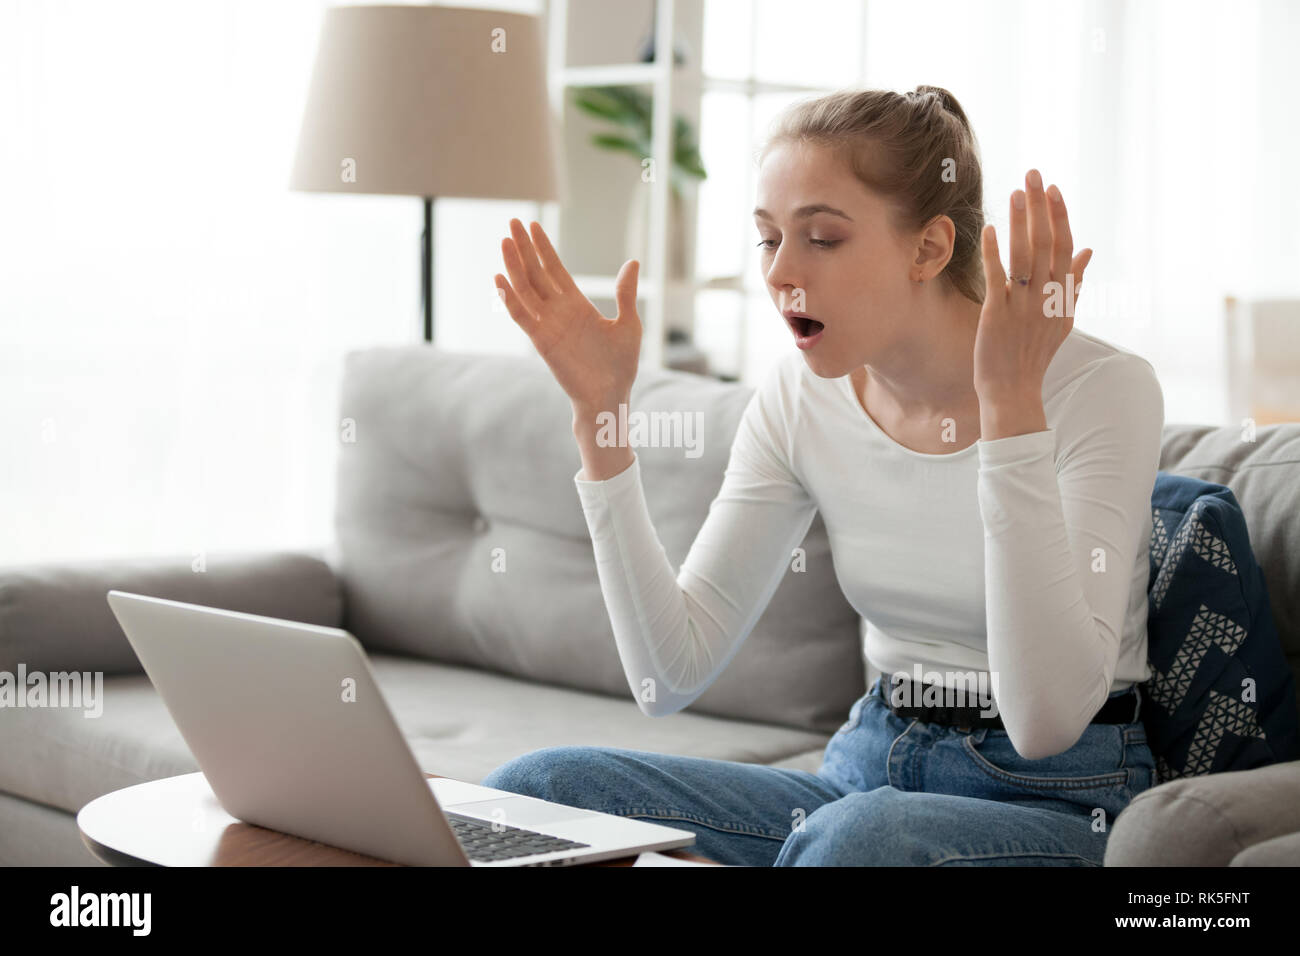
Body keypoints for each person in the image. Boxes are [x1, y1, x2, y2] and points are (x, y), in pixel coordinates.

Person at [485, 85, 1162, 867]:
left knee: (856, 842)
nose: (780, 274)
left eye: (822, 239)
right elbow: (666, 675)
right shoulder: (798, 397)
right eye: (768, 239)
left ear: (930, 249)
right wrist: (601, 418)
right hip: (867, 769)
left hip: (1058, 799)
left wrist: (1009, 403)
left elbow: (1046, 722)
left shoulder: (1100, 390)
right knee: (534, 790)